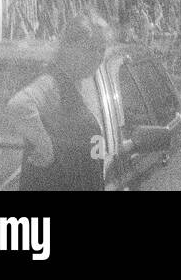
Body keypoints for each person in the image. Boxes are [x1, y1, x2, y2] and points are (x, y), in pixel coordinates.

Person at [7, 12, 111, 191]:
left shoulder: (78, 84)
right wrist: (47, 150)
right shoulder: (52, 83)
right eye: (91, 48)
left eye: (101, 50)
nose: (98, 56)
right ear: (69, 48)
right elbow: (19, 105)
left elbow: (91, 149)